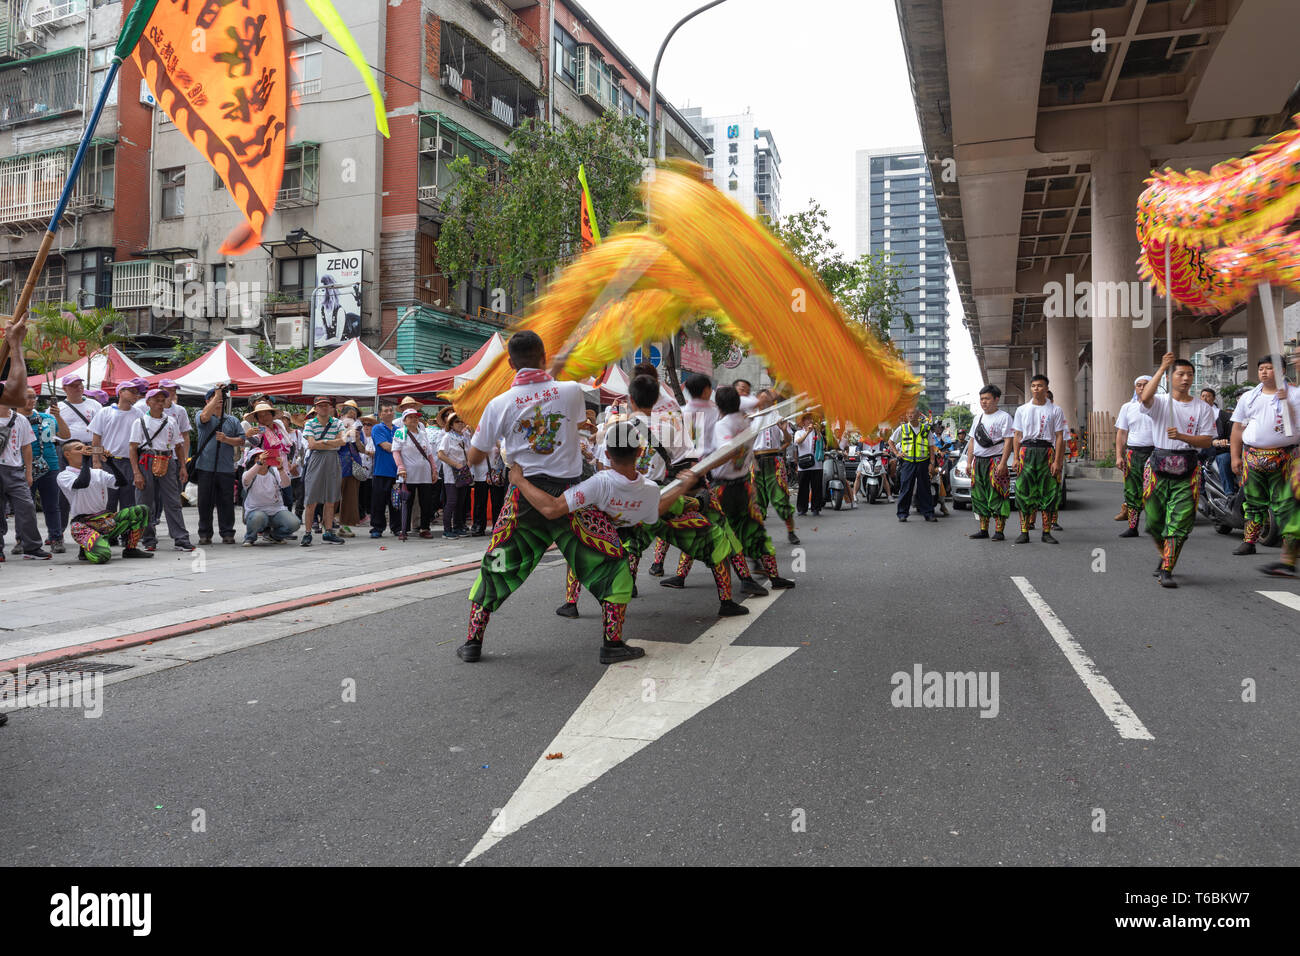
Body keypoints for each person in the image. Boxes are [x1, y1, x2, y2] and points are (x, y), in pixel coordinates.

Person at [456, 330, 640, 664]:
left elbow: (473, 459)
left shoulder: (498, 404)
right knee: (612, 560)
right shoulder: (570, 392)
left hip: (523, 497)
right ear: (543, 357)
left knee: (496, 562)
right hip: (571, 497)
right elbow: (555, 379)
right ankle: (612, 644)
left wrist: (501, 446)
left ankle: (472, 642)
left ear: (510, 362)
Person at [565, 374, 760, 617]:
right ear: (657, 398)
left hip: (622, 503)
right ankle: (726, 600)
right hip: (663, 500)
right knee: (716, 537)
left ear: (631, 400)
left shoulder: (614, 431)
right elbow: (687, 465)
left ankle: (571, 603)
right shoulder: (670, 429)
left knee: (584, 540)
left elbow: (604, 470)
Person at [512, 423, 705, 651]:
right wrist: (684, 485)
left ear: (606, 454)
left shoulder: (597, 483)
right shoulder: (651, 489)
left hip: (592, 542)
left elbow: (552, 508)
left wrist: (520, 481)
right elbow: (660, 508)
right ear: (640, 452)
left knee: (594, 563)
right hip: (617, 541)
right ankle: (612, 644)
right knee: (619, 579)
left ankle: (573, 606)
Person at [1133, 354, 1215, 586]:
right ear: (1170, 378)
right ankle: (1165, 554)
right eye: (1180, 374)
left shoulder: (1203, 408)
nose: (1186, 378)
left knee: (1180, 522)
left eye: (1190, 374)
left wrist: (1181, 436)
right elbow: (1144, 397)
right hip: (1159, 464)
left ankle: (1167, 568)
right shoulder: (1160, 401)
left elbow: (1207, 441)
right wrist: (1161, 367)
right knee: (1154, 522)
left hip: (1187, 468)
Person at [707, 385, 796, 589]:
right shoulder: (746, 421)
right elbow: (756, 403)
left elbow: (727, 451)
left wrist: (704, 467)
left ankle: (746, 580)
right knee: (756, 530)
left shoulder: (724, 425)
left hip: (724, 489)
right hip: (744, 483)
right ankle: (772, 576)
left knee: (729, 535)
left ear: (719, 406)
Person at [1230, 355, 1300, 558]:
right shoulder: (1248, 397)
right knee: (1252, 501)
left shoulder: (1295, 395)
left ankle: (1290, 546)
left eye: (1269, 368)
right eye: (1261, 368)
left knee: (1285, 502)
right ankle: (1249, 541)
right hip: (1253, 456)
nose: (1264, 372)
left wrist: (1288, 405)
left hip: (1286, 457)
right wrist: (1235, 456)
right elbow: (1237, 428)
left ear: (1282, 371)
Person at [56, 440, 152, 562]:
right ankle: (87, 549)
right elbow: (82, 483)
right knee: (103, 556)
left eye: (86, 448)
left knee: (141, 510)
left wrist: (111, 463)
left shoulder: (97, 473)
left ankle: (130, 549)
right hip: (82, 524)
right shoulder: (64, 475)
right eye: (78, 448)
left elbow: (121, 482)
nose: (84, 450)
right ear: (67, 454)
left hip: (106, 521)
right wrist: (86, 460)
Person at [127, 388, 192, 552]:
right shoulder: (140, 421)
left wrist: (182, 466)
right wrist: (136, 472)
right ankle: (148, 538)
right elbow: (133, 448)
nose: (160, 403)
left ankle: (181, 538)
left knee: (173, 501)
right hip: (146, 460)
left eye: (162, 400)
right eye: (156, 400)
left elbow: (178, 445)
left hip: (168, 460)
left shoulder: (171, 421)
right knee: (144, 501)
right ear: (148, 402)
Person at [1011, 374, 1065, 543]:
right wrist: (1016, 458)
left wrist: (1057, 461)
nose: (1036, 388)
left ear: (1046, 388)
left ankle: (1046, 532)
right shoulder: (1022, 410)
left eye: (1040, 385)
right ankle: (1024, 531)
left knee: (1048, 492)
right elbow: (1017, 435)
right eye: (1033, 385)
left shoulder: (1055, 410)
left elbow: (1059, 437)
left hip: (1046, 452)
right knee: (1023, 492)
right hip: (1026, 451)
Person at [193, 385, 247, 545]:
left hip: (226, 468)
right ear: (207, 401)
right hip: (205, 467)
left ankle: (227, 532)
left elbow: (242, 440)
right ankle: (205, 534)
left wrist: (227, 440)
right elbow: (204, 416)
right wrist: (217, 394)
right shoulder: (202, 416)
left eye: (221, 400)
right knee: (204, 503)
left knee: (226, 502)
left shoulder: (232, 420)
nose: (219, 402)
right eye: (215, 399)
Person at [89, 382, 144, 536]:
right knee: (108, 501)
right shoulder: (105, 412)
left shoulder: (138, 414)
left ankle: (126, 535)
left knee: (128, 502)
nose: (135, 394)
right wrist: (96, 461)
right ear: (120, 392)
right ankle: (108, 534)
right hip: (109, 462)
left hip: (129, 462)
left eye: (137, 392)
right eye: (132, 391)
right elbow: (96, 438)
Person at [0, 394, 50, 560]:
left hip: (15, 470)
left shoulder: (20, 419)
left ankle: (32, 547)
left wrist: (28, 472)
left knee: (27, 507)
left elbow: (27, 446)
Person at [21, 386, 68, 553]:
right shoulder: (14, 420)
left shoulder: (47, 418)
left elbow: (65, 434)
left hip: (50, 465)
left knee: (52, 505)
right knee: (25, 506)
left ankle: (56, 538)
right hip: (23, 467)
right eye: (28, 397)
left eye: (34, 397)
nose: (32, 400)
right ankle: (22, 540)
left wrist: (58, 416)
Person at [966, 384, 1013, 540]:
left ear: (996, 399)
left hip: (996, 461)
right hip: (978, 462)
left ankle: (999, 531)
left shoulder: (1004, 417)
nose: (983, 402)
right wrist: (968, 462)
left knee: (998, 495)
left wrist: (1003, 463)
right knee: (979, 496)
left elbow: (1008, 441)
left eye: (987, 398)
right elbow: (972, 441)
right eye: (981, 399)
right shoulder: (977, 418)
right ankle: (983, 530)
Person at [752, 389, 799, 544]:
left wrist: (784, 430)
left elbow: (787, 440)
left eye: (767, 399)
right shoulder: (750, 419)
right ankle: (758, 535)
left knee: (780, 498)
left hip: (774, 461)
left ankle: (791, 532)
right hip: (756, 461)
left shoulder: (778, 417)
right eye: (762, 398)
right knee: (757, 501)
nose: (765, 401)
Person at [300, 396, 347, 546]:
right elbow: (312, 444)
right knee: (311, 499)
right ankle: (307, 533)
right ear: (316, 408)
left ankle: (328, 532)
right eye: (321, 406)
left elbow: (343, 441)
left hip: (333, 458)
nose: (324, 408)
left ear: (331, 408)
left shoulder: (338, 422)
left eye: (327, 405)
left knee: (330, 499)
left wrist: (324, 442)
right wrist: (331, 442)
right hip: (317, 459)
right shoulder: (310, 424)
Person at [1114, 375, 1157, 537]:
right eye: (1138, 385)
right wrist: (1119, 455)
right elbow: (1122, 432)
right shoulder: (1127, 407)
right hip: (1133, 453)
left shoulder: (1161, 405)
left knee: (1155, 490)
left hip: (1156, 453)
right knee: (1132, 491)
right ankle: (1133, 527)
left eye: (1145, 385)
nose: (1141, 388)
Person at [240, 449, 302, 545]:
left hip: (276, 510)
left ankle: (274, 536)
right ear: (253, 460)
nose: (263, 459)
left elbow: (286, 484)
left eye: (265, 457)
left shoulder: (274, 472)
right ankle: (250, 537)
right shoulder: (249, 473)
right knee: (258, 517)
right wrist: (259, 464)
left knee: (295, 523)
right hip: (255, 510)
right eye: (259, 457)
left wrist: (281, 469)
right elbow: (246, 479)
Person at [393, 406, 436, 540]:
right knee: (407, 502)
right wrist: (400, 467)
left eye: (416, 417)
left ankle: (424, 528)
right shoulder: (400, 432)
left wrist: (434, 470)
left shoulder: (423, 433)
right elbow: (396, 451)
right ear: (404, 420)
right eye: (410, 417)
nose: (414, 419)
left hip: (424, 473)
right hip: (408, 473)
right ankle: (404, 529)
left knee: (426, 502)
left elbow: (429, 454)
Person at [889, 407, 937, 523]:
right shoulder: (903, 428)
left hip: (923, 462)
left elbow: (931, 447)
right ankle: (902, 514)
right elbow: (891, 441)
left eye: (913, 413)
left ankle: (928, 513)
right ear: (906, 416)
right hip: (908, 462)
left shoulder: (926, 429)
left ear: (918, 415)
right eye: (909, 414)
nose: (911, 415)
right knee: (906, 488)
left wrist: (931, 463)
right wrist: (897, 453)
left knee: (924, 489)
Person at [369, 402, 401, 538]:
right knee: (379, 502)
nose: (389, 412)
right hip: (381, 471)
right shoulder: (377, 428)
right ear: (380, 414)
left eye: (390, 410)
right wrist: (401, 446)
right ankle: (377, 527)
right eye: (386, 411)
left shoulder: (399, 429)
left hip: (397, 472)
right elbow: (385, 446)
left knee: (396, 502)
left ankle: (397, 528)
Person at [437, 413, 472, 539]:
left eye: (462, 421)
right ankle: (447, 530)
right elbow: (440, 454)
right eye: (457, 421)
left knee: (460, 502)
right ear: (451, 424)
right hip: (451, 474)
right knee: (451, 501)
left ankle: (458, 527)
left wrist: (468, 462)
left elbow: (468, 452)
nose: (460, 423)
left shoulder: (464, 437)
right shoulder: (447, 437)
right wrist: (456, 464)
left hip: (463, 473)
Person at [794, 413, 824, 516]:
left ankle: (816, 508)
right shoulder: (798, 432)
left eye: (811, 419)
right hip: (803, 464)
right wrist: (807, 432)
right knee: (803, 488)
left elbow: (822, 444)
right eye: (807, 419)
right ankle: (802, 508)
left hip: (817, 464)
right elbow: (798, 442)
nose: (810, 421)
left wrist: (818, 431)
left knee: (816, 487)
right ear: (803, 422)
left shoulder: (816, 432)